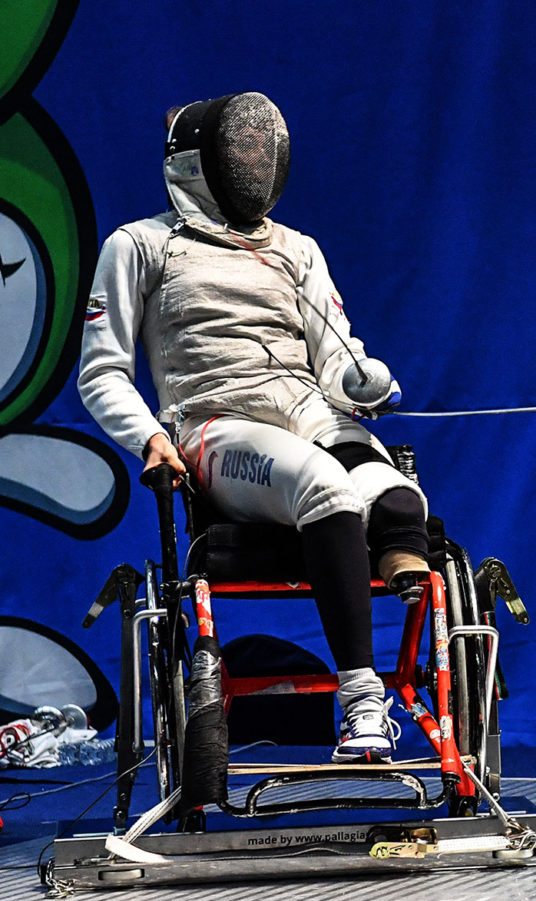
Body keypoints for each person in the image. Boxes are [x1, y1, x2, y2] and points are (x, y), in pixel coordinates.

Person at [78, 92, 427, 763]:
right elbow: (101, 372)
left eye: (261, 152)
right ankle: (361, 702)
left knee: (399, 497)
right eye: (240, 151)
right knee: (327, 487)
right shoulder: (141, 246)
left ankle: (393, 566)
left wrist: (364, 380)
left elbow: (337, 360)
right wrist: (149, 436)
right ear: (199, 164)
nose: (254, 163)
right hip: (215, 428)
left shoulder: (297, 249)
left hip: (307, 414)